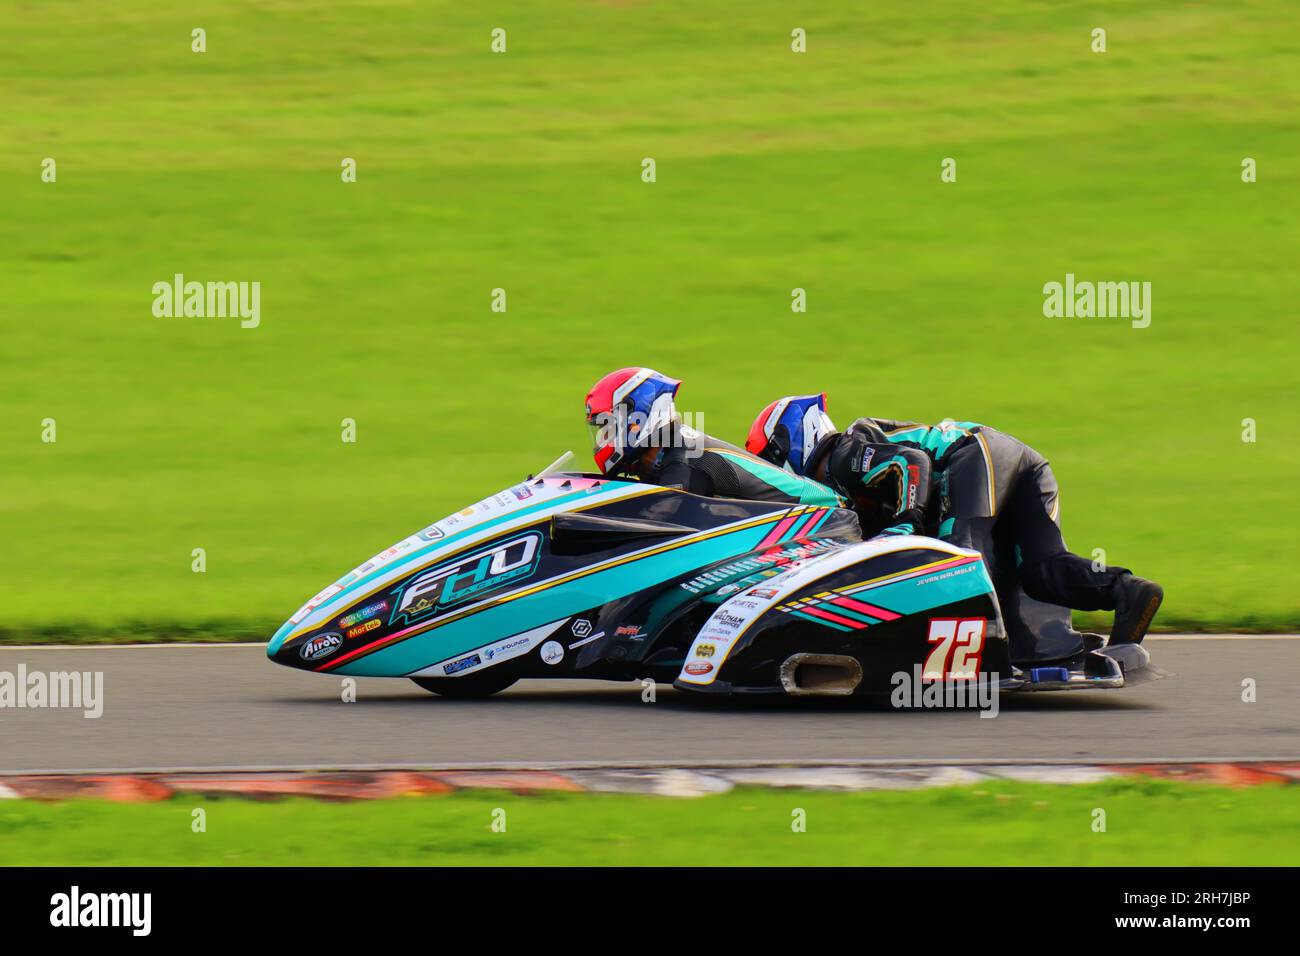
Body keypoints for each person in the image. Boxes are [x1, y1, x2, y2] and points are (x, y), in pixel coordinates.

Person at [746, 395, 1164, 651]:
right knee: (1040, 570)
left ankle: (979, 651)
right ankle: (1126, 591)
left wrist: (907, 522)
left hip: (975, 454)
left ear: (791, 442)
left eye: (772, 459)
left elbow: (912, 462)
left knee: (961, 556)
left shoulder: (840, 456)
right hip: (1024, 463)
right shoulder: (849, 469)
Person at [585, 369, 842, 506]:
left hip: (830, 516)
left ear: (636, 415)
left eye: (607, 425)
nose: (602, 438)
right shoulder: (664, 456)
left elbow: (665, 520)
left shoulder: (686, 455)